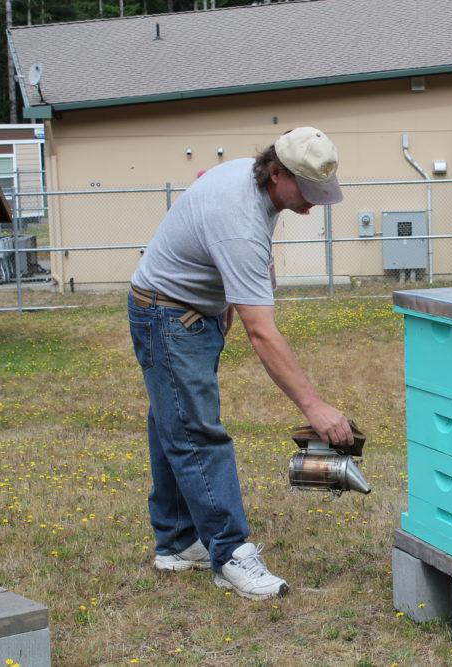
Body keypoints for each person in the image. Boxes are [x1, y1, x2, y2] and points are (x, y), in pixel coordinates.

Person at [128, 127, 354, 600]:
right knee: (197, 434)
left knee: (174, 424)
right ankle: (229, 553)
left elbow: (221, 235)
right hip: (169, 315)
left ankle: (176, 542)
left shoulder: (247, 180)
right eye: (306, 192)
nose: (312, 204)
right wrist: (314, 407)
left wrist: (227, 297)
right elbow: (262, 332)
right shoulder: (240, 223)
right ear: (276, 173)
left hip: (186, 309)